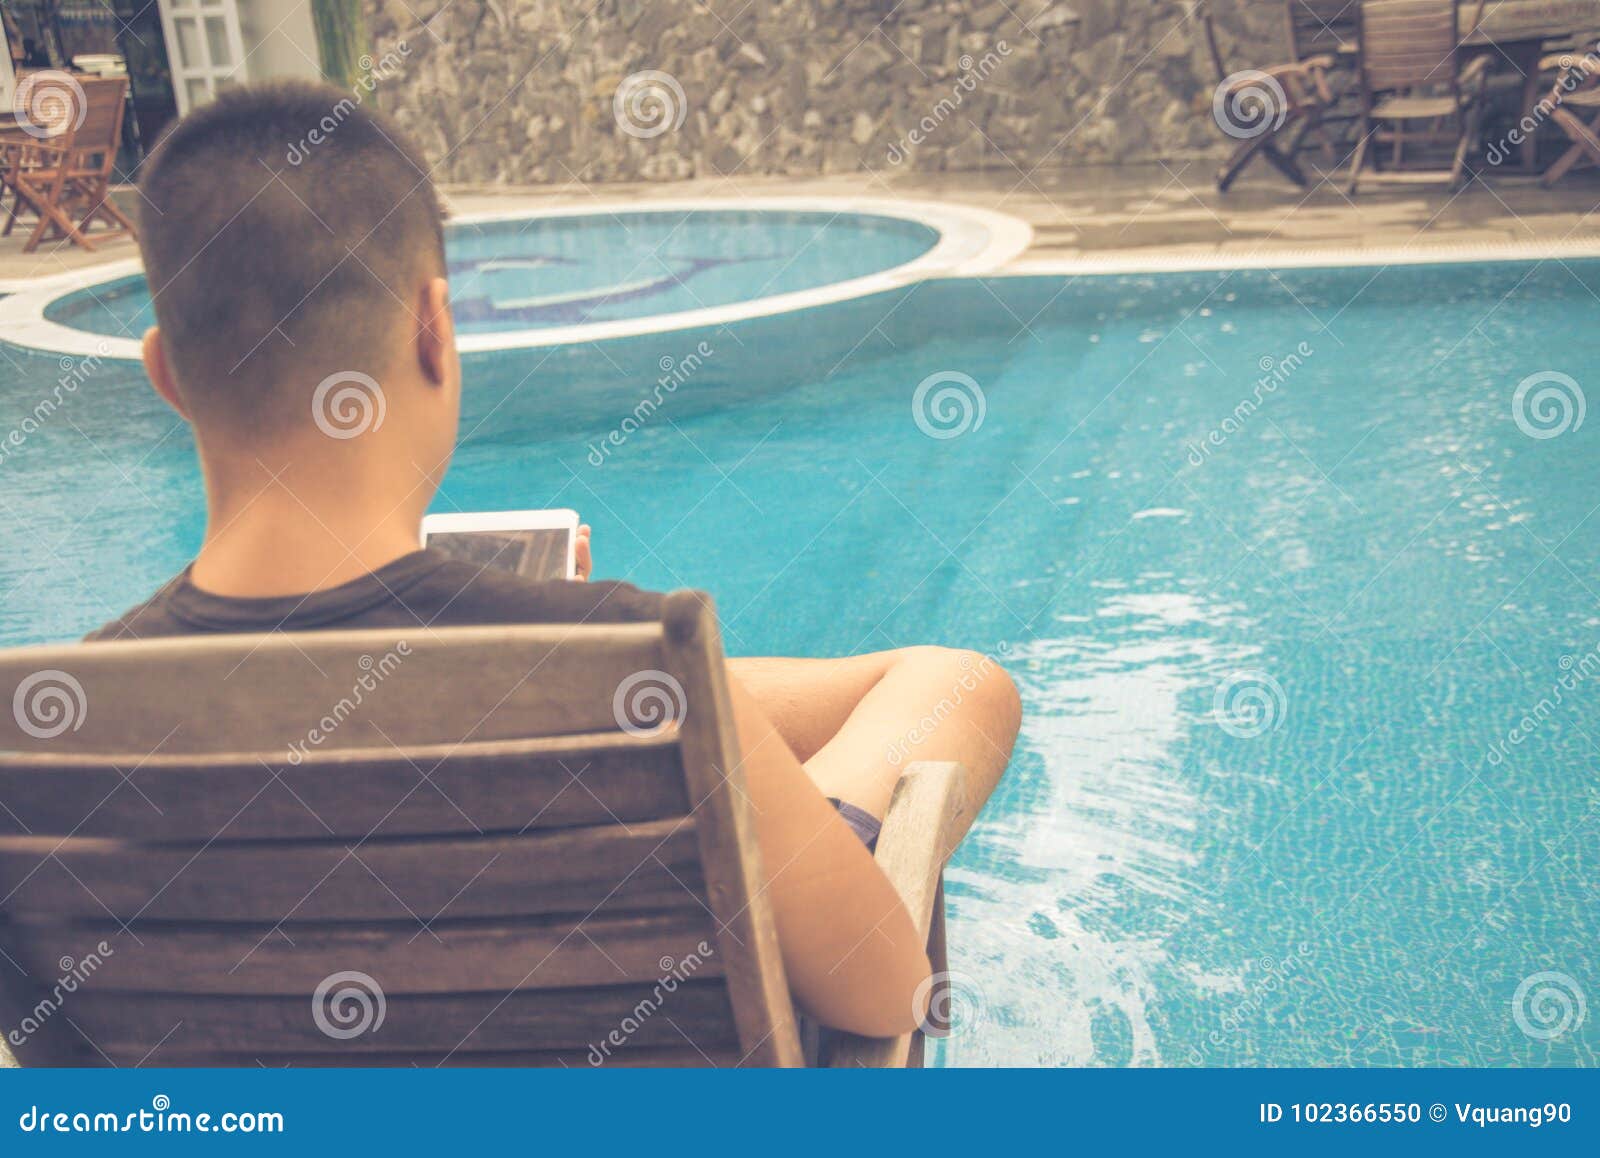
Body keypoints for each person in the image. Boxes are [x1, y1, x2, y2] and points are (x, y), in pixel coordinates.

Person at [90, 82, 1022, 1039]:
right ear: (433, 330)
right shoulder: (629, 652)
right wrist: (570, 665)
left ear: (164, 372)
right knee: (954, 687)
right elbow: (881, 997)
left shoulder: (58, 733)